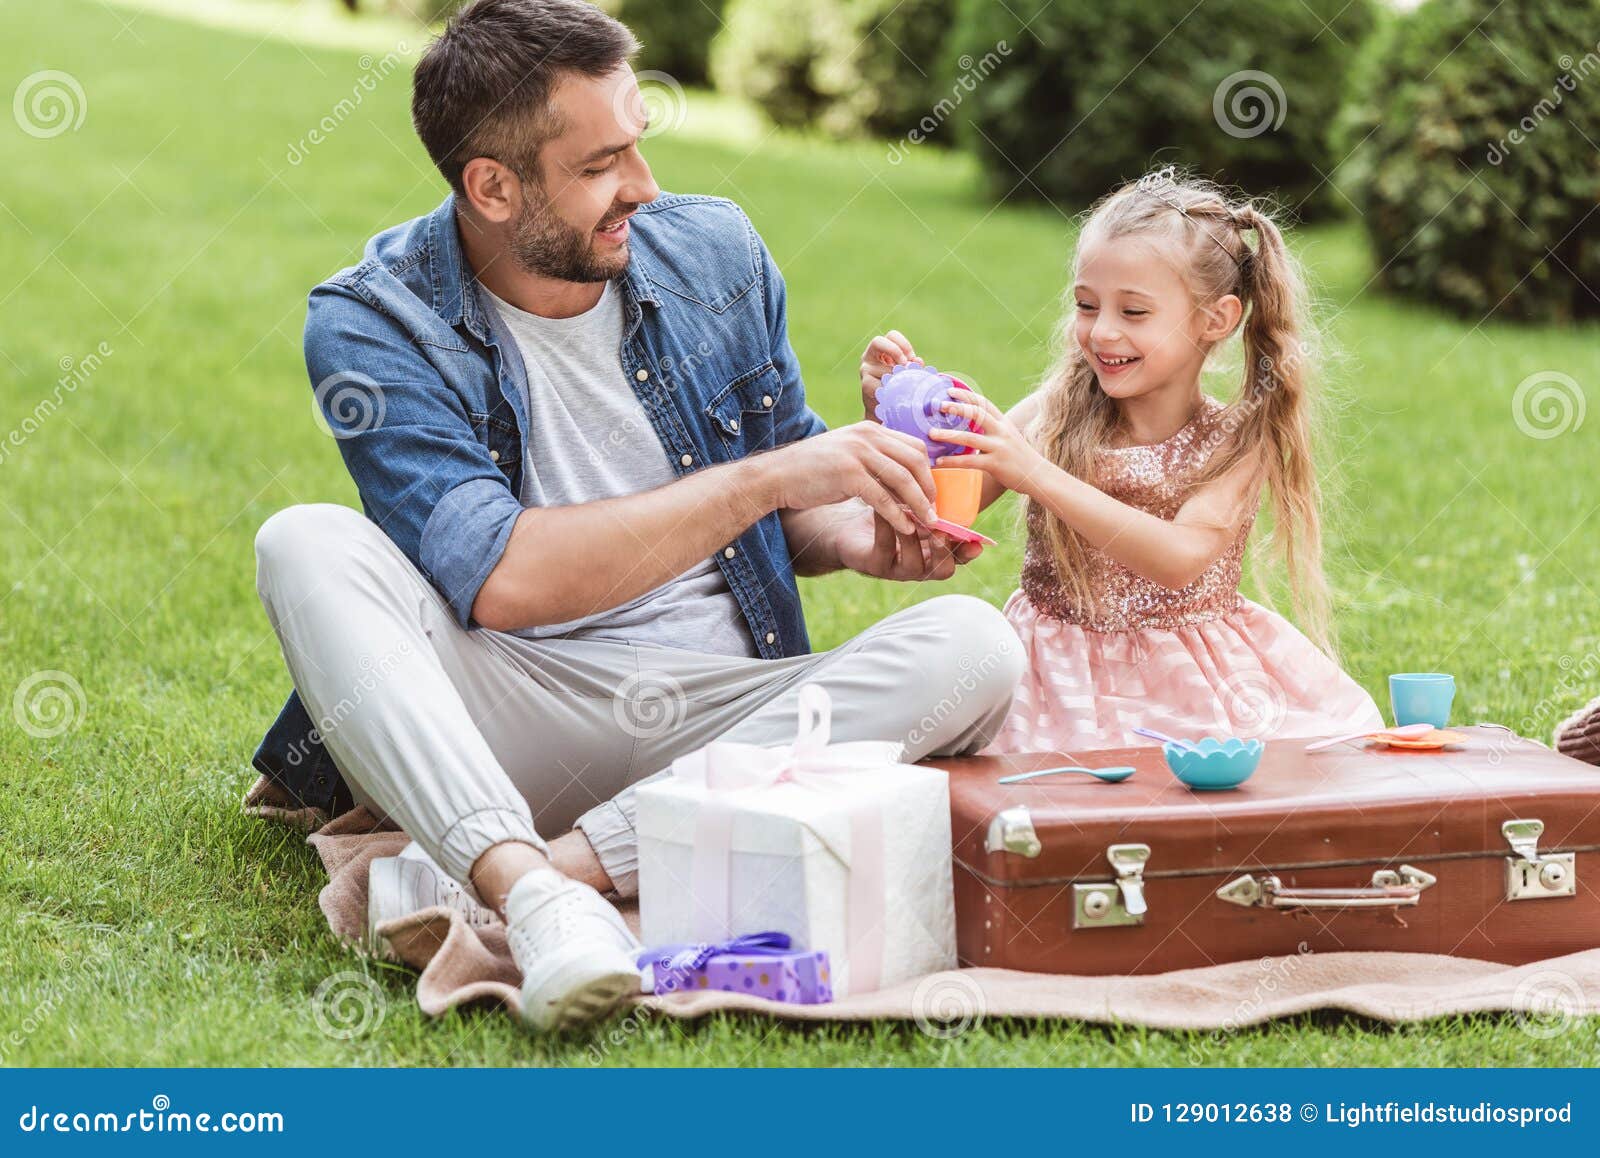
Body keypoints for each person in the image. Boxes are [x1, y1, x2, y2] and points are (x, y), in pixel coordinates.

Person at [252, 0, 1022, 1032]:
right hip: (506, 707)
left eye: (639, 147)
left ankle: (546, 880)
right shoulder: (375, 319)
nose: (644, 190)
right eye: (600, 164)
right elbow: (506, 582)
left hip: (718, 720)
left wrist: (858, 536)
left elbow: (780, 510)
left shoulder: (713, 254)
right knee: (302, 540)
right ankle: (530, 887)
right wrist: (771, 479)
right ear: (492, 186)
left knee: (973, 644)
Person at [859, 171, 1380, 752]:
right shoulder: (1056, 409)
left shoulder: (1236, 439)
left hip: (1188, 677)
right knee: (1042, 795)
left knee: (1209, 792)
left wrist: (1035, 473)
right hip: (1052, 670)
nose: (1102, 331)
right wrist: (900, 415)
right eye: (1087, 305)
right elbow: (943, 506)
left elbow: (1181, 558)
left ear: (1217, 319)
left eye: (1133, 312)